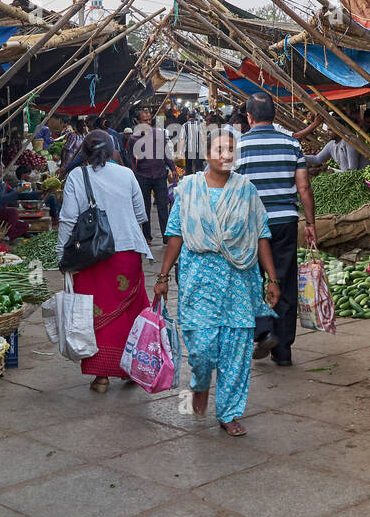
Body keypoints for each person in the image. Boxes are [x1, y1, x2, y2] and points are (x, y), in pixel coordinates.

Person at [154, 129, 279, 436]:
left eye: (231, 150)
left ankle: (229, 412)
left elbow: (261, 234)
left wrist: (272, 279)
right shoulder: (188, 188)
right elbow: (175, 235)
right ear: (206, 153)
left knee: (236, 350)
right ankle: (199, 383)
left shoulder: (246, 190)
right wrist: (163, 276)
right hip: (199, 279)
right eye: (220, 149)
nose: (226, 155)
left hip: (239, 279)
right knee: (202, 350)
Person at [55, 131, 151, 393]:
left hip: (92, 256)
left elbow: (68, 220)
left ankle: (101, 377)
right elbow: (141, 214)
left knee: (95, 313)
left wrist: (61, 255)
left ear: (83, 153)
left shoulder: (77, 176)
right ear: (112, 151)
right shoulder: (127, 174)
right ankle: (130, 368)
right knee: (129, 313)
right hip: (127, 253)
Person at [233, 92, 316, 365]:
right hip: (285, 222)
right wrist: (311, 223)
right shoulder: (291, 144)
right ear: (275, 114)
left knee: (252, 280)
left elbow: (232, 191)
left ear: (249, 116)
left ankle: (264, 328)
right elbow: (303, 187)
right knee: (284, 280)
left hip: (251, 226)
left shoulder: (239, 147)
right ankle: (283, 351)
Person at [131, 107, 174, 245]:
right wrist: (135, 176)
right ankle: (147, 236)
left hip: (160, 174)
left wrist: (173, 169)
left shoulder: (159, 135)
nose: (148, 122)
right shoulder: (133, 139)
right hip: (142, 176)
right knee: (145, 207)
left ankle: (165, 235)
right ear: (137, 121)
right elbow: (132, 161)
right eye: (144, 120)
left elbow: (166, 154)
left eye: (149, 120)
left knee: (163, 205)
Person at [181, 111, 204, 175]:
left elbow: (182, 139)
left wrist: (180, 150)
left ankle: (189, 180)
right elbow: (203, 137)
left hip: (188, 150)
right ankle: (198, 181)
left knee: (188, 167)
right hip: (197, 150)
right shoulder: (200, 124)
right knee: (198, 168)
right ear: (195, 117)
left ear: (187, 117)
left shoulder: (184, 125)